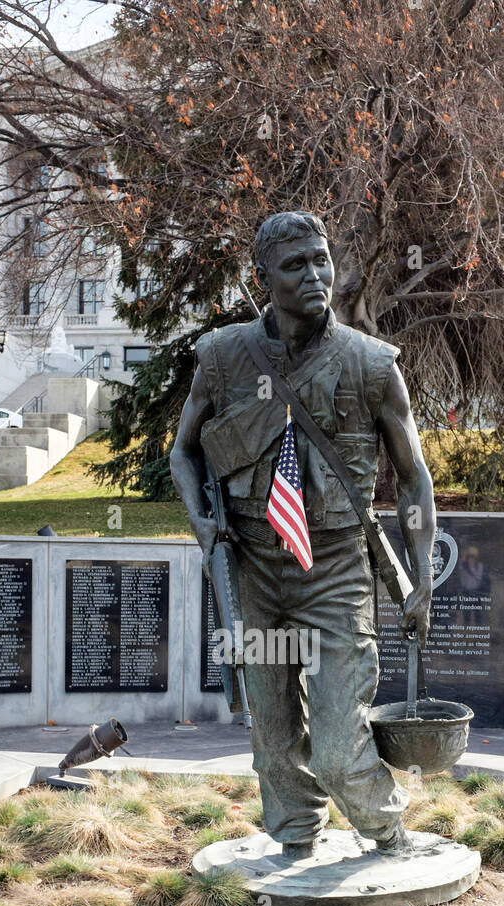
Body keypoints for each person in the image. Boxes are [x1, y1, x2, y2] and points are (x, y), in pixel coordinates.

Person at [170, 211, 435, 858]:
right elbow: (183, 452)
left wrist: (422, 576)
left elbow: (413, 478)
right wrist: (203, 525)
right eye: (295, 265)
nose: (315, 274)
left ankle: (386, 832)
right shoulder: (224, 356)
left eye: (321, 259)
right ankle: (293, 842)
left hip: (337, 572)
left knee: (341, 745)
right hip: (254, 568)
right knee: (273, 732)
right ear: (262, 278)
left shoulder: (372, 364)